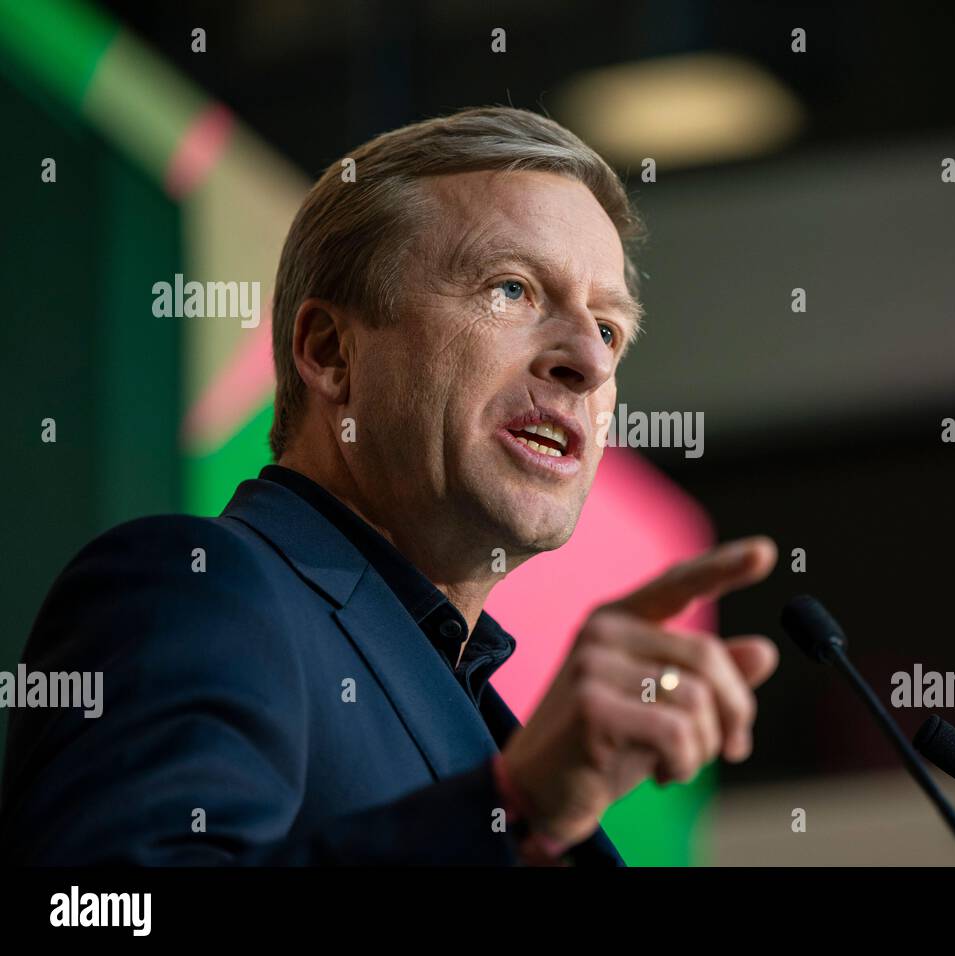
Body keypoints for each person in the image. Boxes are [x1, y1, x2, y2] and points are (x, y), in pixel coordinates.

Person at [0, 107, 779, 865]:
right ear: (330, 352)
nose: (589, 360)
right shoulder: (193, 592)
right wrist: (514, 811)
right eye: (511, 289)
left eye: (610, 327)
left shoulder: (480, 710)